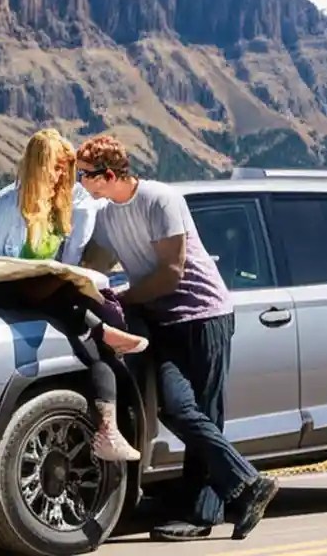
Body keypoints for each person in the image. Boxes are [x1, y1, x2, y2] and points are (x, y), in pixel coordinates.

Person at [74, 133, 278, 542]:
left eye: (85, 177)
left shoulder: (160, 199)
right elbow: (91, 264)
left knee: (204, 410)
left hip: (205, 316)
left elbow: (172, 271)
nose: (82, 184)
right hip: (164, 322)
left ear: (109, 175)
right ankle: (250, 485)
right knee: (177, 408)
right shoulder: (108, 216)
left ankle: (203, 517)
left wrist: (124, 297)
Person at [0, 128, 148, 461]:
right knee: (77, 310)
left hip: (51, 293)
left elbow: (71, 259)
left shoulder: (70, 203)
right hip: (8, 289)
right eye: (55, 167)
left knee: (96, 351)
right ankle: (104, 331)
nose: (62, 176)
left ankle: (108, 431)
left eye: (66, 168)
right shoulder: (7, 201)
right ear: (37, 165)